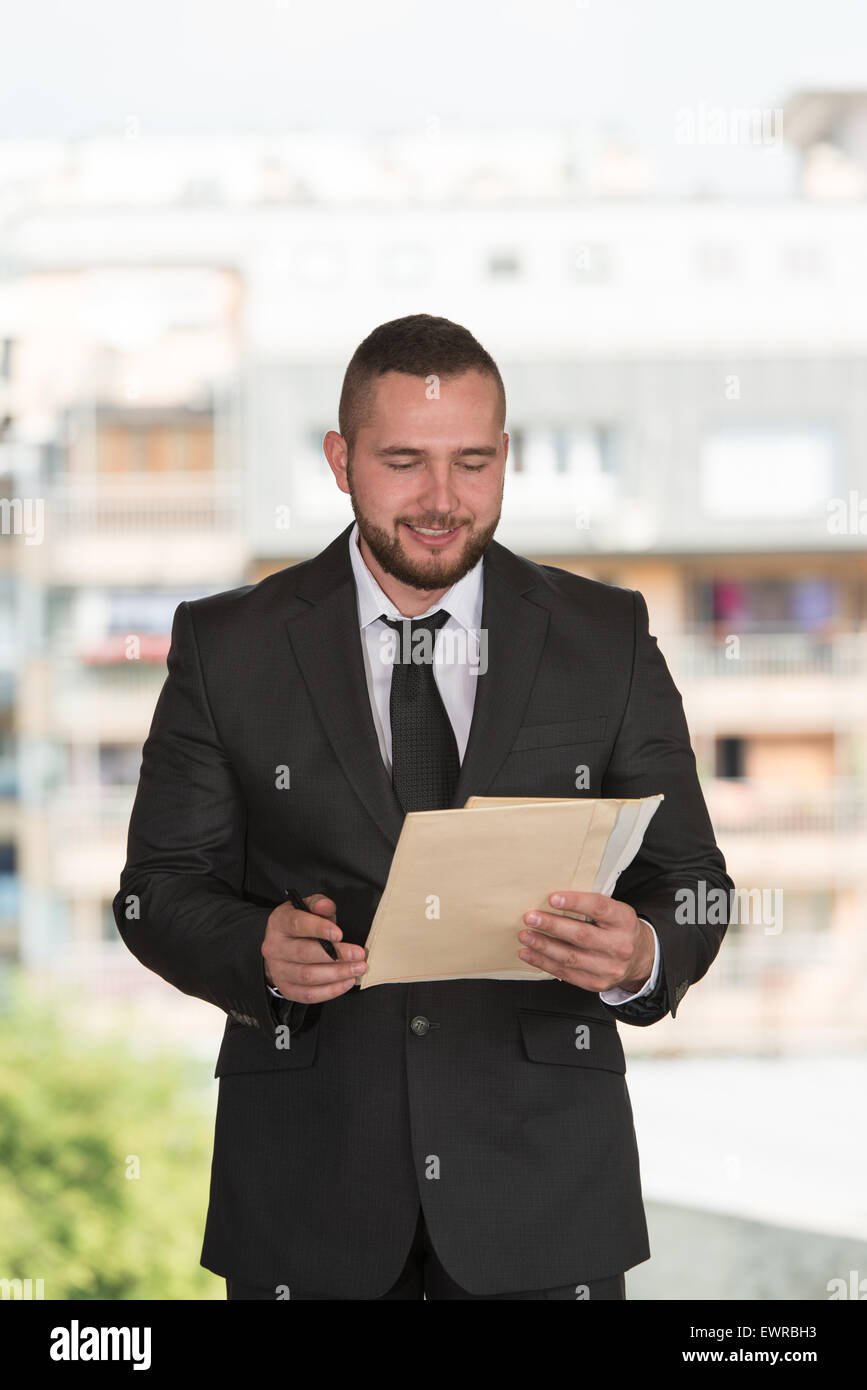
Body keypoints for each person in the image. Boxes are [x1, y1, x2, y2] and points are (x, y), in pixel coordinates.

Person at [114, 313, 733, 1300]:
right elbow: (157, 891)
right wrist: (254, 950)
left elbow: (692, 879)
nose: (442, 500)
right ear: (340, 459)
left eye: (473, 462)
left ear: (504, 460)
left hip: (546, 1207)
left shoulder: (603, 636)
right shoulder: (228, 644)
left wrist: (644, 953)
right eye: (403, 461)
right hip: (305, 1201)